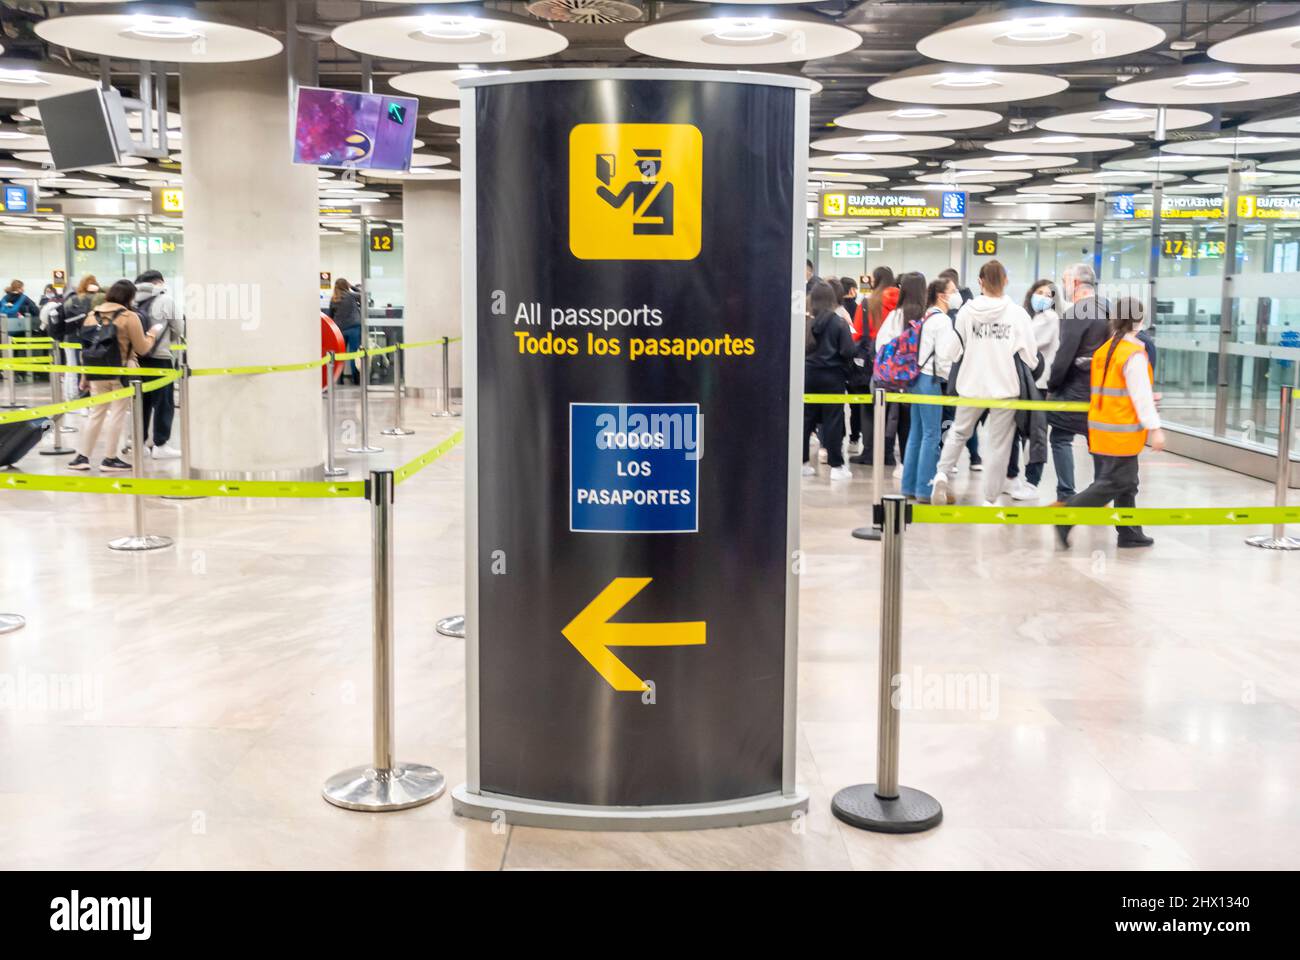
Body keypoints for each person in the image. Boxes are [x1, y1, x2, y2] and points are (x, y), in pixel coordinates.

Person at [929, 260, 1040, 506]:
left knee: (958, 432)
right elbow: (1031, 358)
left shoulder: (967, 312)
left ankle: (941, 474)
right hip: (1005, 388)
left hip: (972, 385)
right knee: (999, 446)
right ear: (1006, 281)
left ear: (980, 282)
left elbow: (951, 351)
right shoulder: (1017, 314)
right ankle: (990, 499)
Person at [1056, 297, 1163, 549]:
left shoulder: (1105, 350)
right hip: (1121, 431)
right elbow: (1141, 397)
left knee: (1128, 482)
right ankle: (1067, 515)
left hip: (1103, 427)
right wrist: (1155, 429)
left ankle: (1129, 531)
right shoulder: (1133, 354)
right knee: (1115, 483)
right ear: (1140, 321)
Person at [67, 279, 165, 472]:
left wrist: (85, 376)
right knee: (117, 415)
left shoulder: (91, 315)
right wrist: (152, 333)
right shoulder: (129, 316)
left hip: (96, 370)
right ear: (129, 297)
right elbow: (142, 348)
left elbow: (85, 348)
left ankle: (82, 457)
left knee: (96, 414)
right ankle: (109, 459)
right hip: (122, 371)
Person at [1047, 262, 1109, 505]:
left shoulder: (1077, 312)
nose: (1063, 286)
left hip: (1076, 388)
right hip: (1104, 390)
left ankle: (1065, 496)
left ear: (1074, 283)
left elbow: (1065, 355)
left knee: (1060, 438)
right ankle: (1100, 496)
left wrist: (1053, 386)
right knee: (1098, 441)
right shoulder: (1108, 308)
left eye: (1064, 281)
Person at [898, 276, 956, 501]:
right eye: (952, 290)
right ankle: (925, 488)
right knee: (931, 435)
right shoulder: (942, 321)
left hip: (916, 379)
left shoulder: (926, 315)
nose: (955, 294)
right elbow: (943, 357)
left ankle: (909, 486)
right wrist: (952, 380)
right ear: (942, 295)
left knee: (916, 433)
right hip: (931, 380)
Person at [1004, 279, 1061, 500]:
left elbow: (1025, 342)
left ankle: (1032, 482)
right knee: (1015, 430)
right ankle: (1011, 476)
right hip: (1022, 382)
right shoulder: (1029, 317)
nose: (1043, 297)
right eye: (1040, 292)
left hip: (1040, 385)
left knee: (1035, 434)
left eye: (1048, 295)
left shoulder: (1050, 318)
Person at [874, 271, 928, 468]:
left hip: (898, 380)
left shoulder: (895, 316)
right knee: (921, 427)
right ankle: (916, 465)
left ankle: (901, 464)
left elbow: (880, 346)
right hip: (923, 380)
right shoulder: (928, 317)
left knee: (898, 421)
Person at [802, 279, 854, 481]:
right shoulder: (839, 323)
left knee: (805, 420)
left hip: (808, 376)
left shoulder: (807, 323)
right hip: (833, 378)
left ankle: (803, 462)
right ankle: (836, 466)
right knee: (833, 421)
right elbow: (848, 350)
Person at [134, 270, 184, 460]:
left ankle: (141, 443)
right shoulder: (166, 300)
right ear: (159, 282)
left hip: (136, 360)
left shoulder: (131, 300)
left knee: (141, 400)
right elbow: (178, 327)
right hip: (160, 357)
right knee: (163, 402)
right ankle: (160, 444)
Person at [326, 277, 363, 384]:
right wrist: (352, 287)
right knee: (353, 353)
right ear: (346, 285)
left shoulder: (334, 299)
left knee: (340, 354)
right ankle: (356, 379)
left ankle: (339, 378)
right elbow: (364, 295)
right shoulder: (351, 296)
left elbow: (330, 316)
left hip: (340, 330)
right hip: (354, 328)